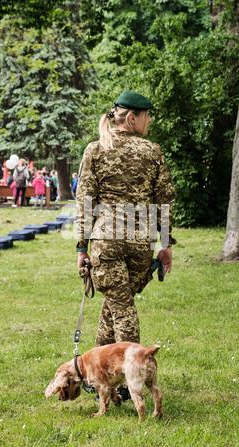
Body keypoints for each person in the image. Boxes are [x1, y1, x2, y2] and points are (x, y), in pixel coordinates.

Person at [76, 91, 175, 352]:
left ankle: (122, 377)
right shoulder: (153, 151)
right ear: (132, 118)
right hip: (140, 244)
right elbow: (164, 202)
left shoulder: (95, 149)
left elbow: (85, 202)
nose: (150, 121)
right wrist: (165, 244)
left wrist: (80, 247)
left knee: (119, 305)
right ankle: (105, 376)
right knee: (119, 303)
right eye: (147, 115)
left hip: (106, 241)